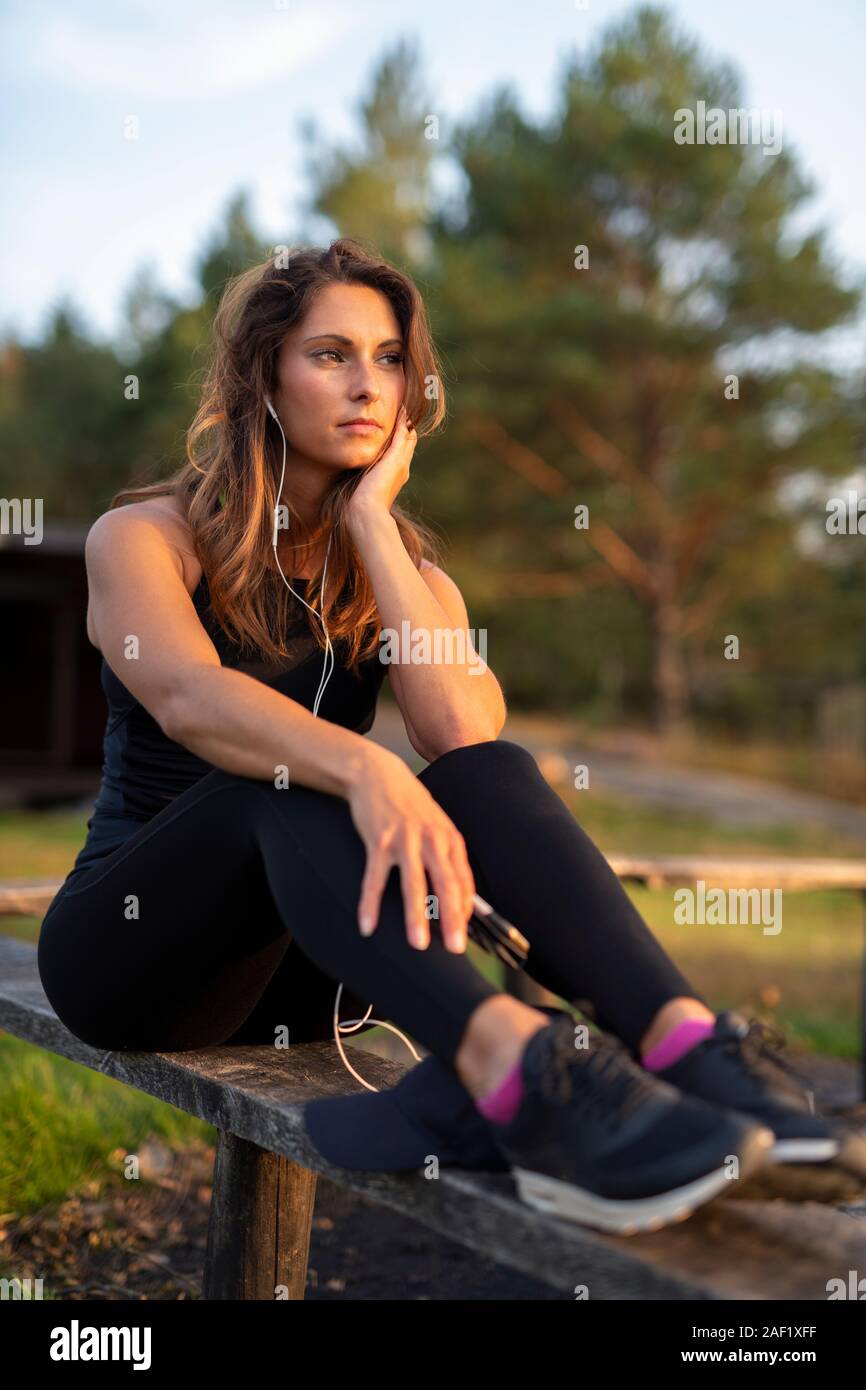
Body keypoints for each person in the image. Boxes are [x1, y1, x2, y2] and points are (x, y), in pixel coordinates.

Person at [37, 238, 865, 1238]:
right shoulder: (149, 537)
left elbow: (464, 733)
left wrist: (373, 528)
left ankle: (682, 1041)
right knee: (282, 785)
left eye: (388, 359)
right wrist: (363, 767)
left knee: (486, 771)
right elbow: (187, 699)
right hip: (136, 957)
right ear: (261, 374)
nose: (367, 385)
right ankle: (518, 1074)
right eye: (331, 354)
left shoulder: (401, 568)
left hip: (319, 964)